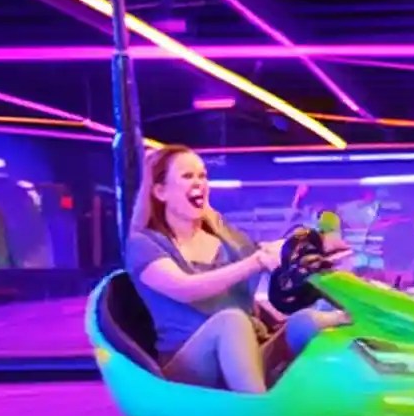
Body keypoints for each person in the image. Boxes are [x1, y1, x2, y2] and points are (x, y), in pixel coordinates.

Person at [125, 145, 346, 393]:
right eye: (187, 176)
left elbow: (271, 252)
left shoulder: (224, 238)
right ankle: (257, 413)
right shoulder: (145, 244)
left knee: (306, 321)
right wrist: (254, 263)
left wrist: (321, 245)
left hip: (252, 348)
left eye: (203, 175)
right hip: (190, 367)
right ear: (160, 191)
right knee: (231, 321)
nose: (199, 183)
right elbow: (185, 288)